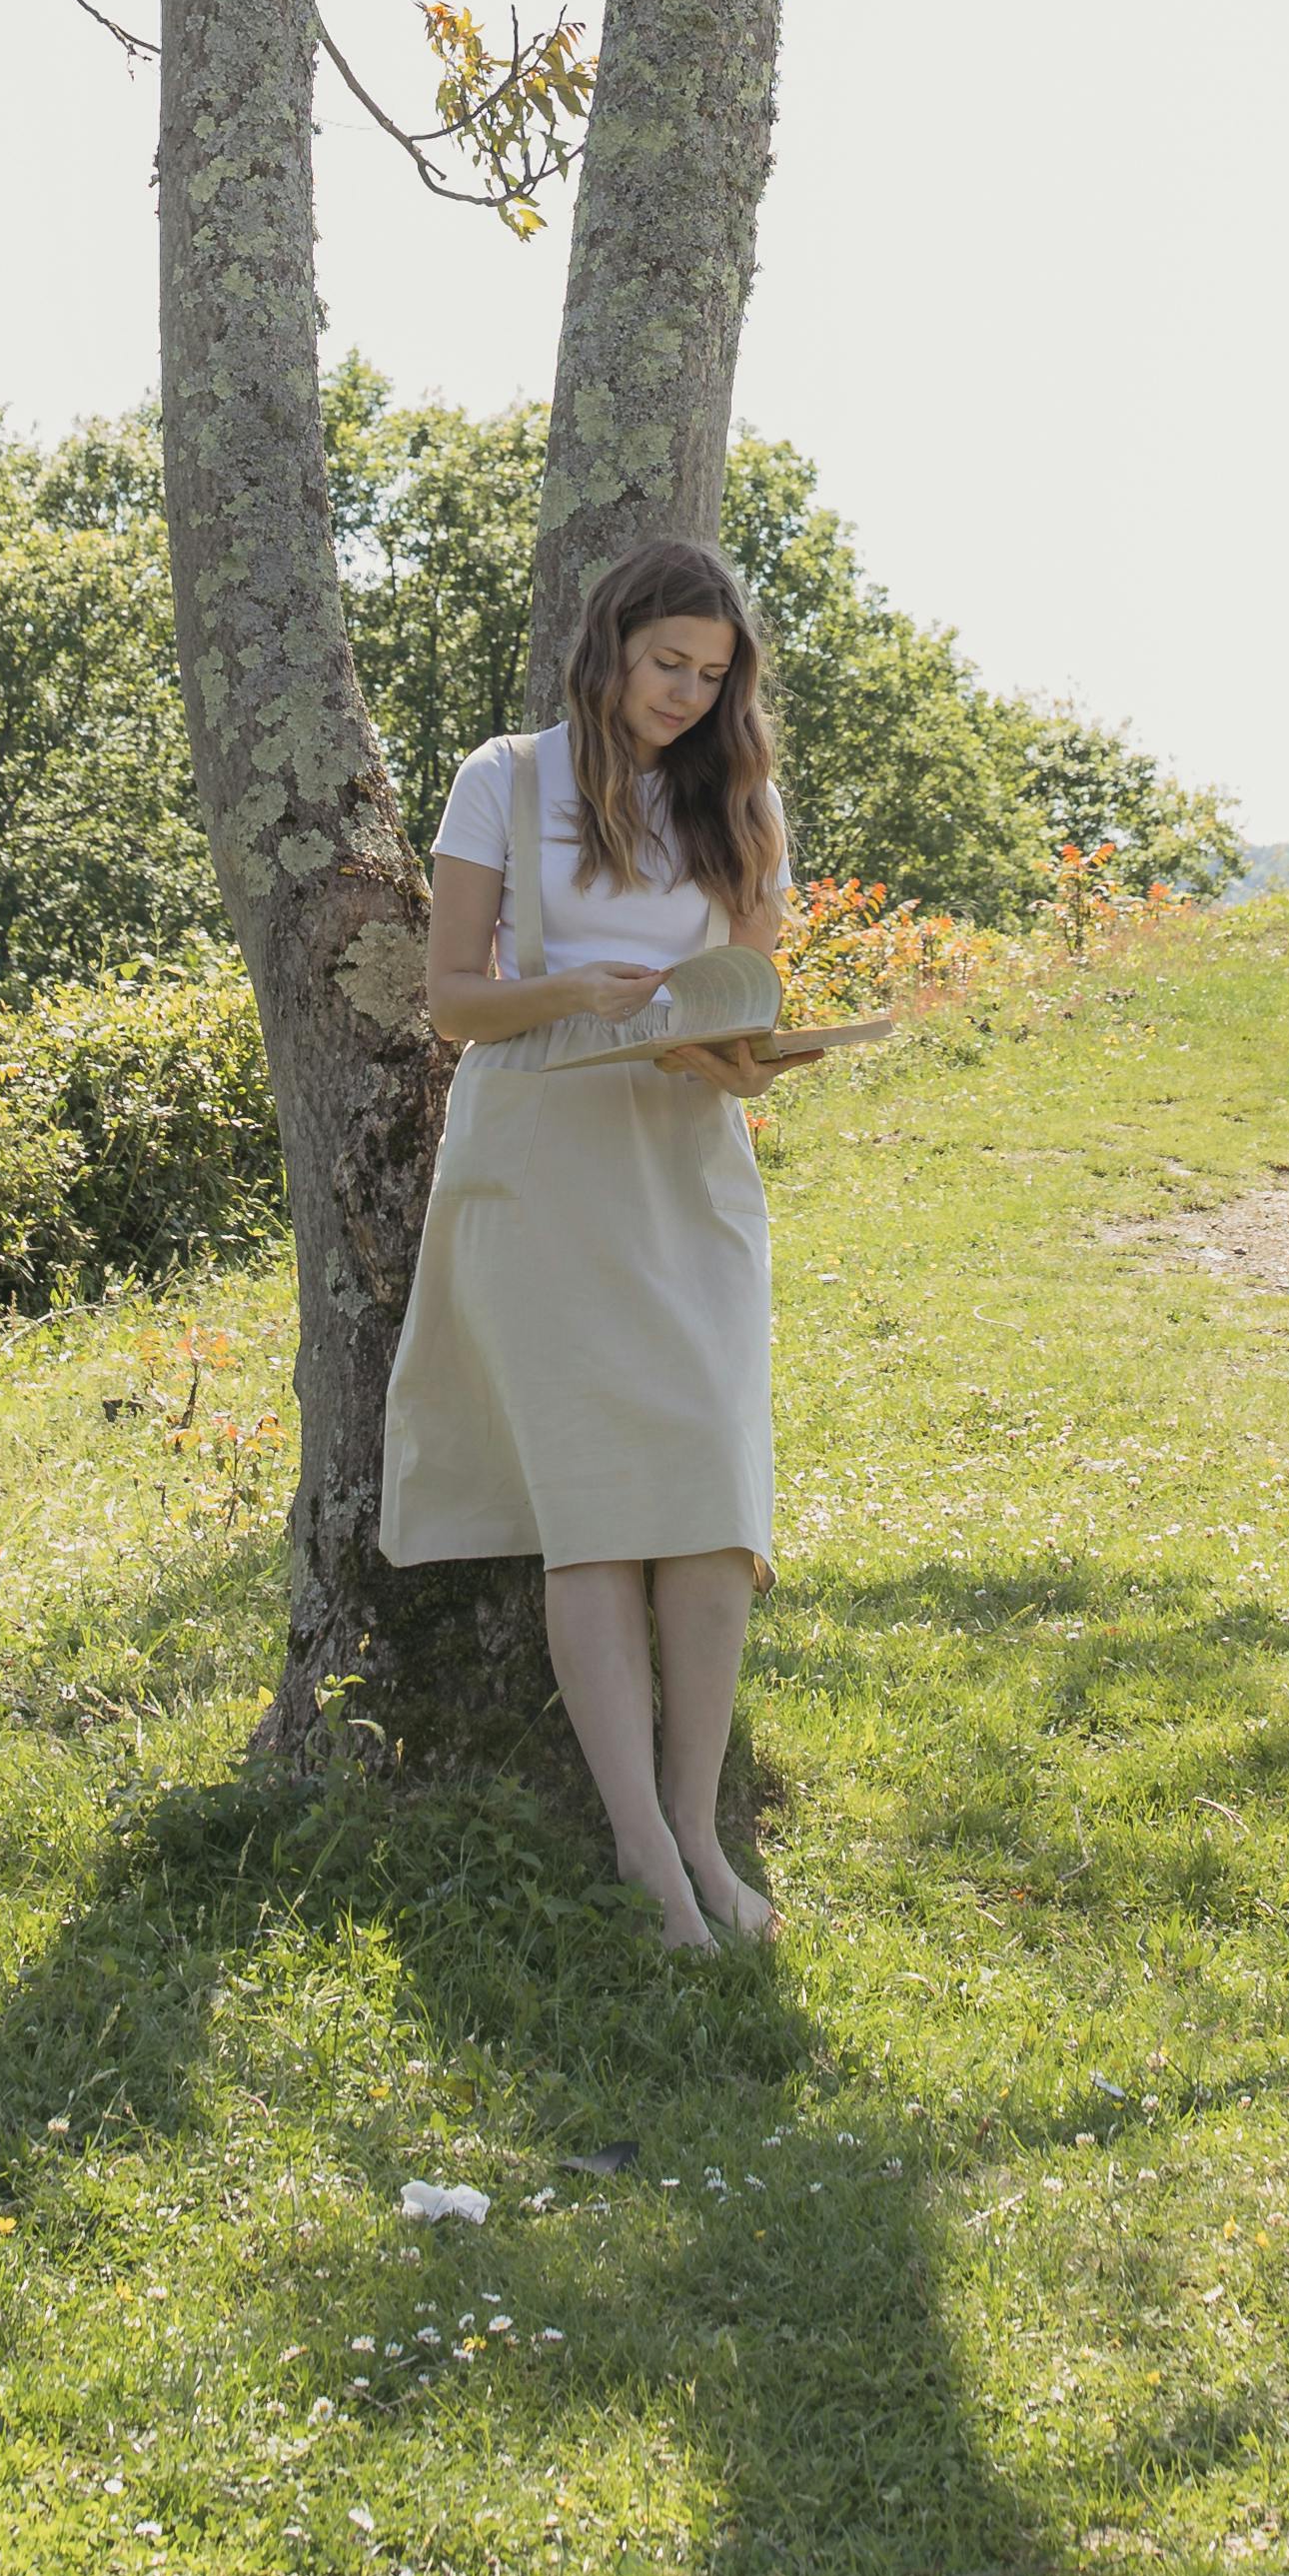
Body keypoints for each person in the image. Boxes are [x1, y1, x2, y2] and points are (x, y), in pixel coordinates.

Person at [383, 539, 797, 1950]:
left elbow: (750, 999)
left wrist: (741, 1059)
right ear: (610, 643)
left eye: (713, 674)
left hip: (684, 1165)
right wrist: (569, 989)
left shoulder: (737, 800)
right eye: (668, 663)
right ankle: (641, 1852)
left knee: (710, 1505)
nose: (688, 694)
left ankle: (698, 1828)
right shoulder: (504, 777)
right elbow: (447, 1000)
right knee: (598, 1513)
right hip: (540, 1165)